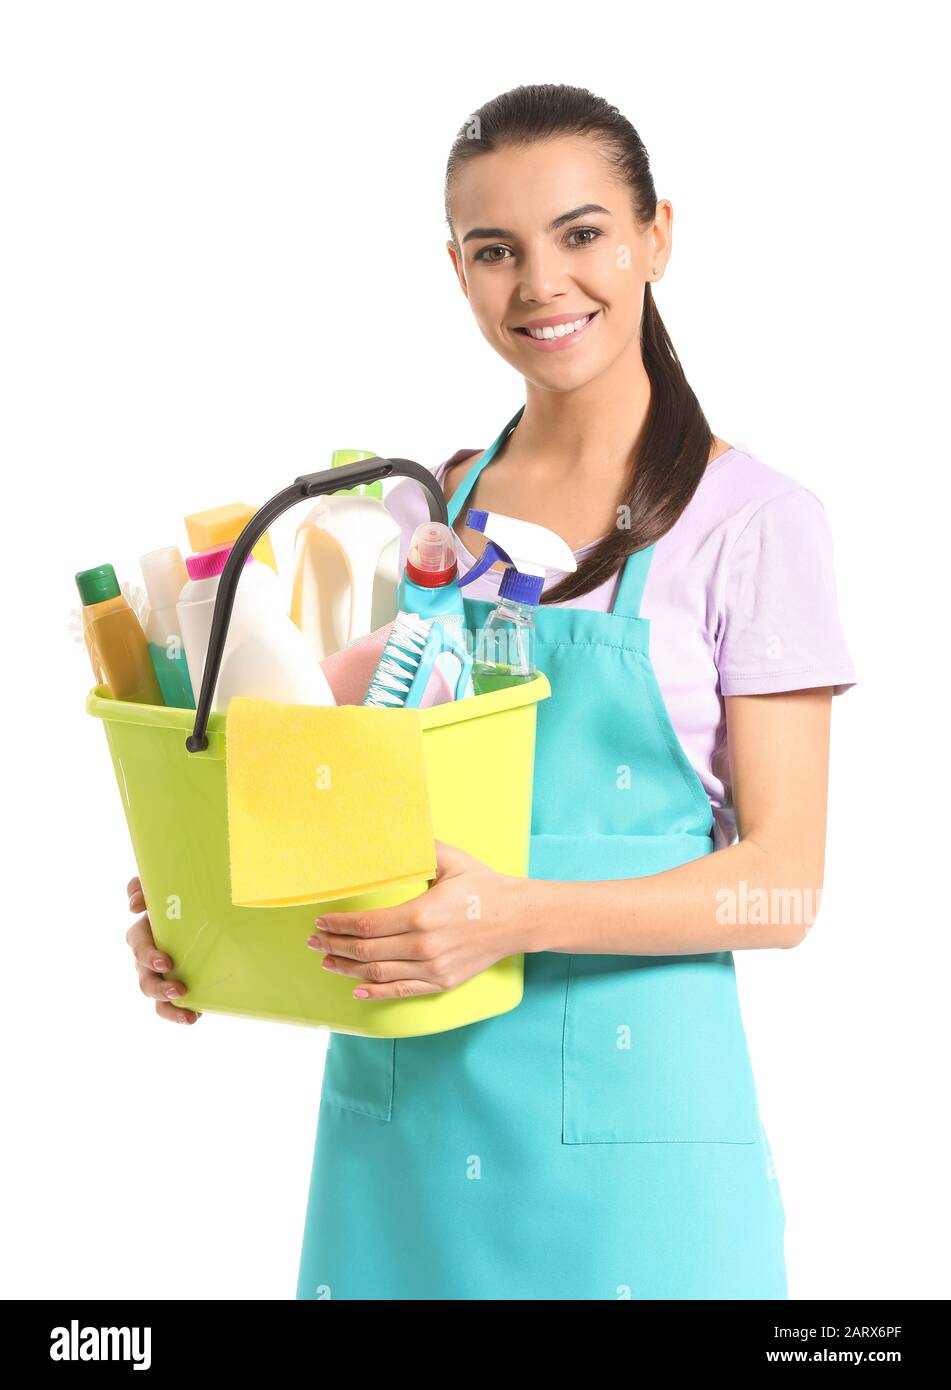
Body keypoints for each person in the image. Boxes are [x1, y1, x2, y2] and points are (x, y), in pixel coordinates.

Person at [126, 83, 857, 1300]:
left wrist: (509, 914)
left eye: (582, 235)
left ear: (656, 236)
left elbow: (781, 886)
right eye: (494, 250)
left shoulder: (756, 525)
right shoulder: (422, 515)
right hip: (405, 1139)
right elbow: (343, 808)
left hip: (638, 1159)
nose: (541, 285)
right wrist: (208, 917)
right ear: (455, 269)